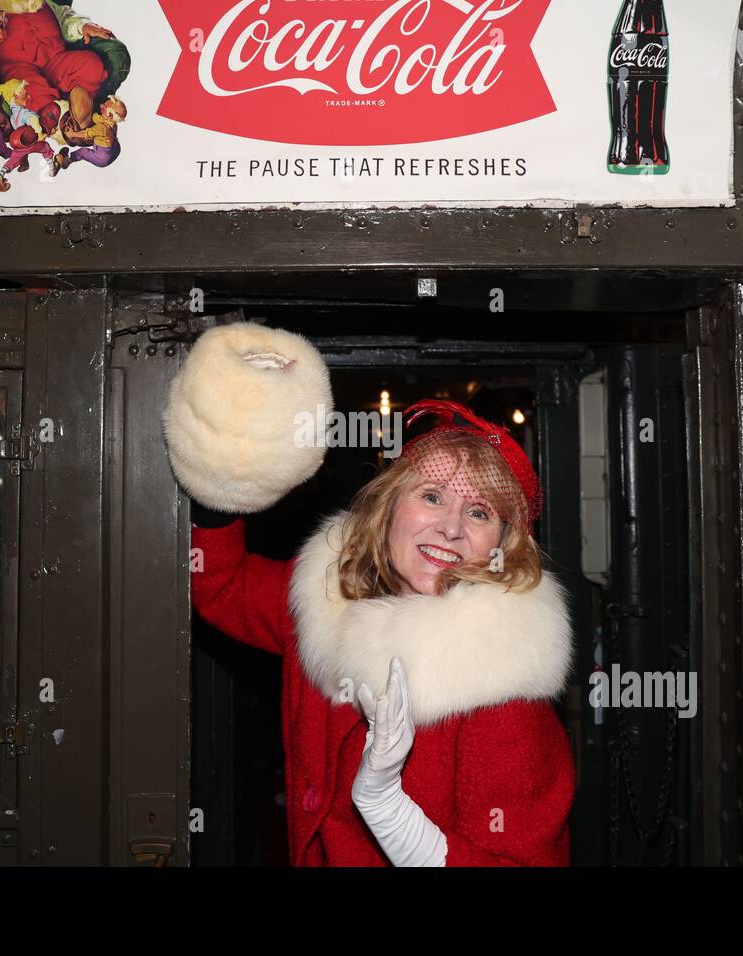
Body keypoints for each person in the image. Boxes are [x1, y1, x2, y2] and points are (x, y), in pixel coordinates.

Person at [163, 323, 576, 867]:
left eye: (479, 512)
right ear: (387, 510)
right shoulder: (322, 601)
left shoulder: (503, 687)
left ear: (504, 543)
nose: (451, 528)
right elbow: (222, 584)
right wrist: (229, 451)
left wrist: (394, 818)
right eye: (432, 496)